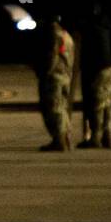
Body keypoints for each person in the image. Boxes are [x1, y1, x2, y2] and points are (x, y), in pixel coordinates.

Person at [77, 2, 111, 149]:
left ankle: (95, 138)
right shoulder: (104, 26)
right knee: (106, 104)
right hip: (108, 67)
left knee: (96, 105)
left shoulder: (91, 28)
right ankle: (107, 136)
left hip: (98, 68)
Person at [36, 12, 74, 151]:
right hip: (64, 75)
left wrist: (45, 73)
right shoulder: (66, 34)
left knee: (54, 108)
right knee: (62, 108)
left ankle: (59, 140)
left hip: (54, 77)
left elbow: (51, 55)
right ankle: (65, 137)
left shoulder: (53, 34)